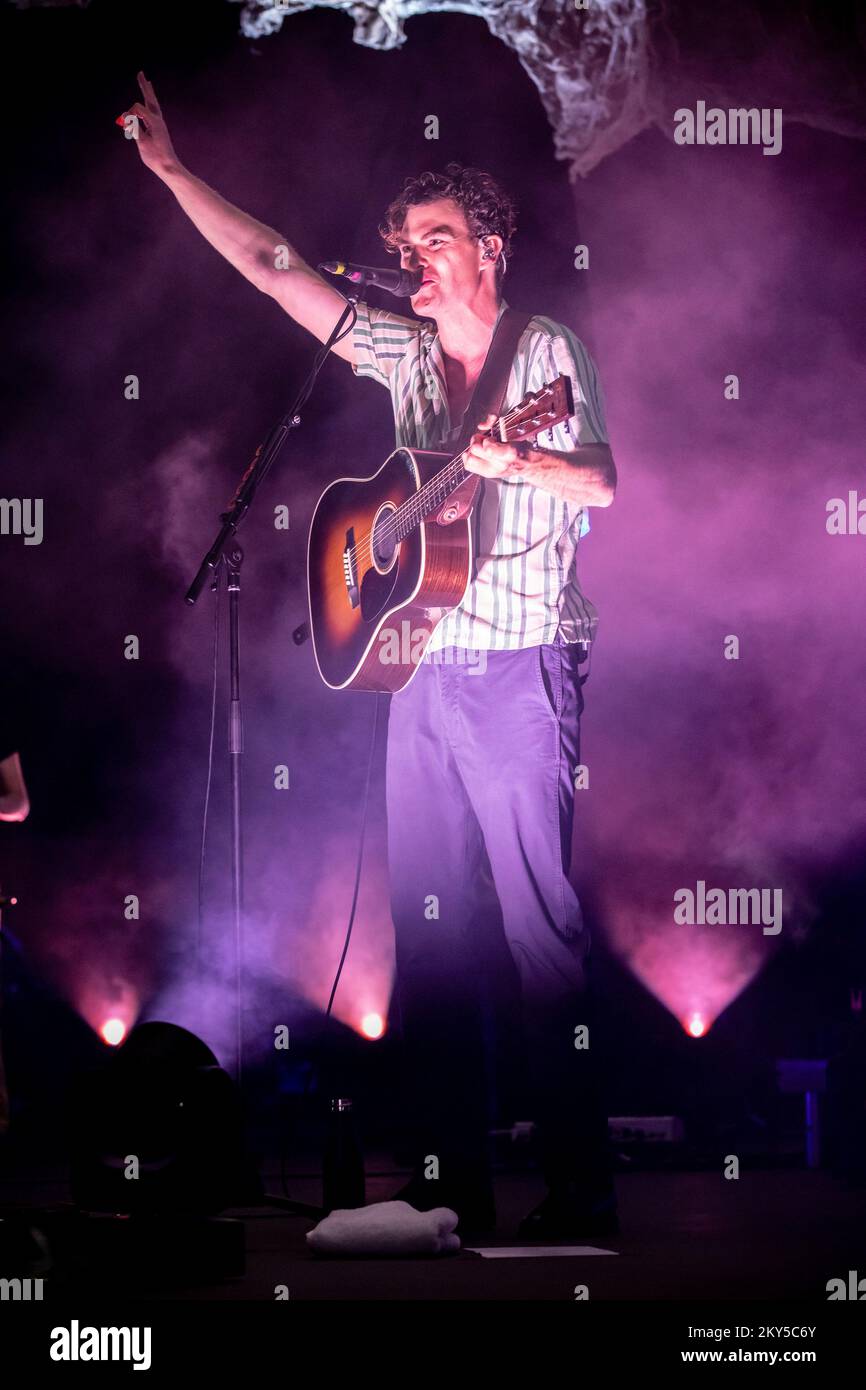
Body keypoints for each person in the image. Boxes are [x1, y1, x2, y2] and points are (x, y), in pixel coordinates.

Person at [120, 73, 619, 1237]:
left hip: (518, 672)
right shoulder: (399, 357)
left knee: (536, 929)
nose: (414, 258)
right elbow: (273, 267)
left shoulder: (542, 349)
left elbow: (598, 475)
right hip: (420, 677)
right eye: (404, 244)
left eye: (435, 240)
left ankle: (579, 1183)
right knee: (432, 929)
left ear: (488, 246)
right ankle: (449, 1177)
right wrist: (173, 172)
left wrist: (515, 464)